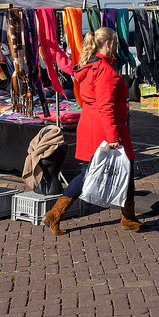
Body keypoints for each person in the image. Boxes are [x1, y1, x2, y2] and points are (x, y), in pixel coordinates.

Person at [43, 27, 145, 234]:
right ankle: (54, 214)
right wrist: (113, 137)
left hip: (91, 123)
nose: (115, 47)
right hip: (106, 126)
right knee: (90, 173)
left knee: (122, 168)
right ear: (108, 44)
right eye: (114, 43)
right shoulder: (105, 71)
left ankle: (128, 216)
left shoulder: (88, 66)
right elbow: (106, 105)